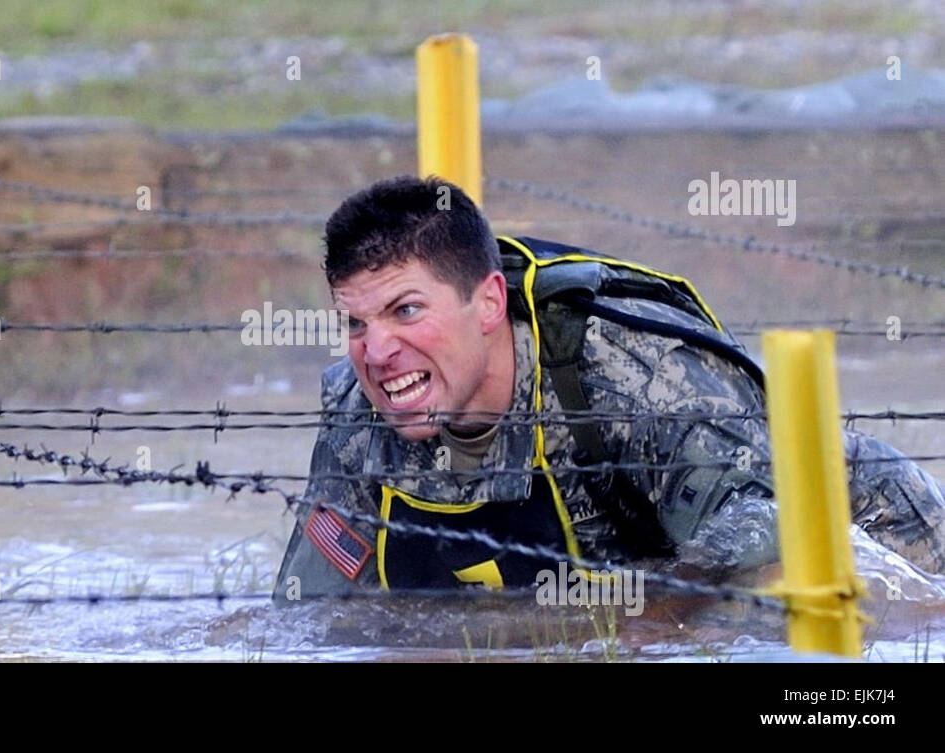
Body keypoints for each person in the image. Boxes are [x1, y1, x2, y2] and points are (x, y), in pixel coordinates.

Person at [274, 175, 945, 600]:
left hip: (876, 534)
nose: (377, 351)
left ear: (486, 304)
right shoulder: (358, 407)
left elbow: (771, 554)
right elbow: (312, 614)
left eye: (405, 310)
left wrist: (627, 625)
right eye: (355, 321)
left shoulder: (635, 374)